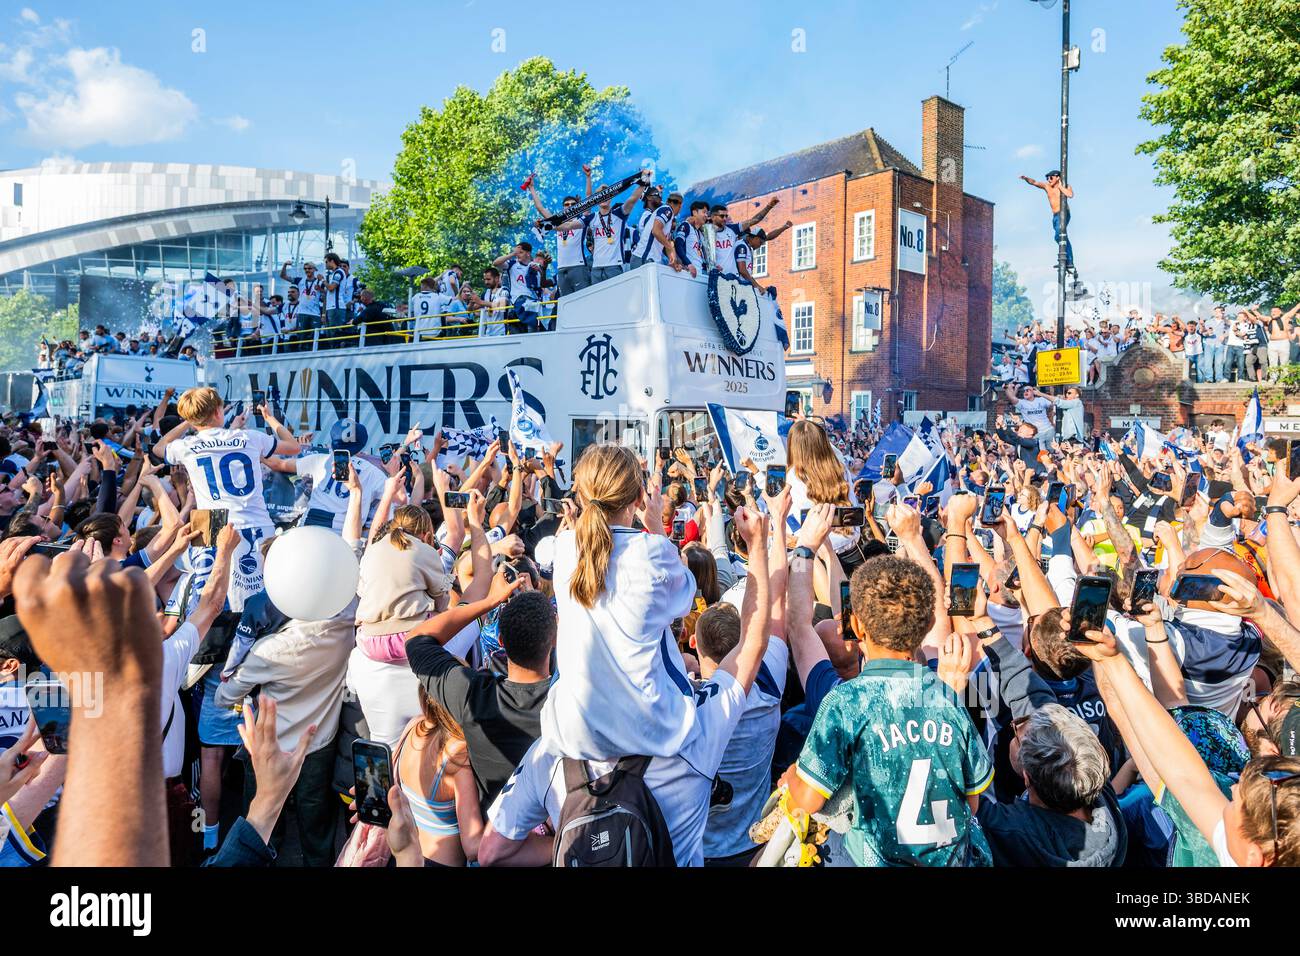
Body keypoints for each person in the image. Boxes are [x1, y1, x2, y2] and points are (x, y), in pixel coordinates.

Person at [783, 549, 993, 866]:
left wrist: (795, 778)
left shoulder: (844, 702)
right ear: (927, 624)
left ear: (856, 623)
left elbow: (808, 800)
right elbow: (973, 803)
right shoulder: (950, 696)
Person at [405, 573, 553, 809]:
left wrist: (491, 601)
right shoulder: (569, 699)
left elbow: (416, 639)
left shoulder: (472, 697)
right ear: (553, 640)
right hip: (560, 832)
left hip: (492, 832)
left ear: (501, 641)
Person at [153, 387, 301, 608]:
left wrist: (189, 421)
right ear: (218, 412)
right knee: (258, 598)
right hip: (253, 518)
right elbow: (293, 446)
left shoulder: (187, 446)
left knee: (207, 599)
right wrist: (270, 419)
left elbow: (158, 447)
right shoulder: (249, 437)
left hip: (208, 521)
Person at [1019, 170, 1085, 296]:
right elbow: (1034, 182)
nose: (1049, 179)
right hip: (1055, 216)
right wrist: (1026, 178)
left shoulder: (1064, 186)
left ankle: (1069, 262)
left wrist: (1060, 186)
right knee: (1058, 237)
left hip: (1064, 214)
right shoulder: (1047, 186)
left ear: (1058, 177)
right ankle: (1067, 261)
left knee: (1060, 234)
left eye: (1051, 177)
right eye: (1047, 177)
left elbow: (1070, 195)